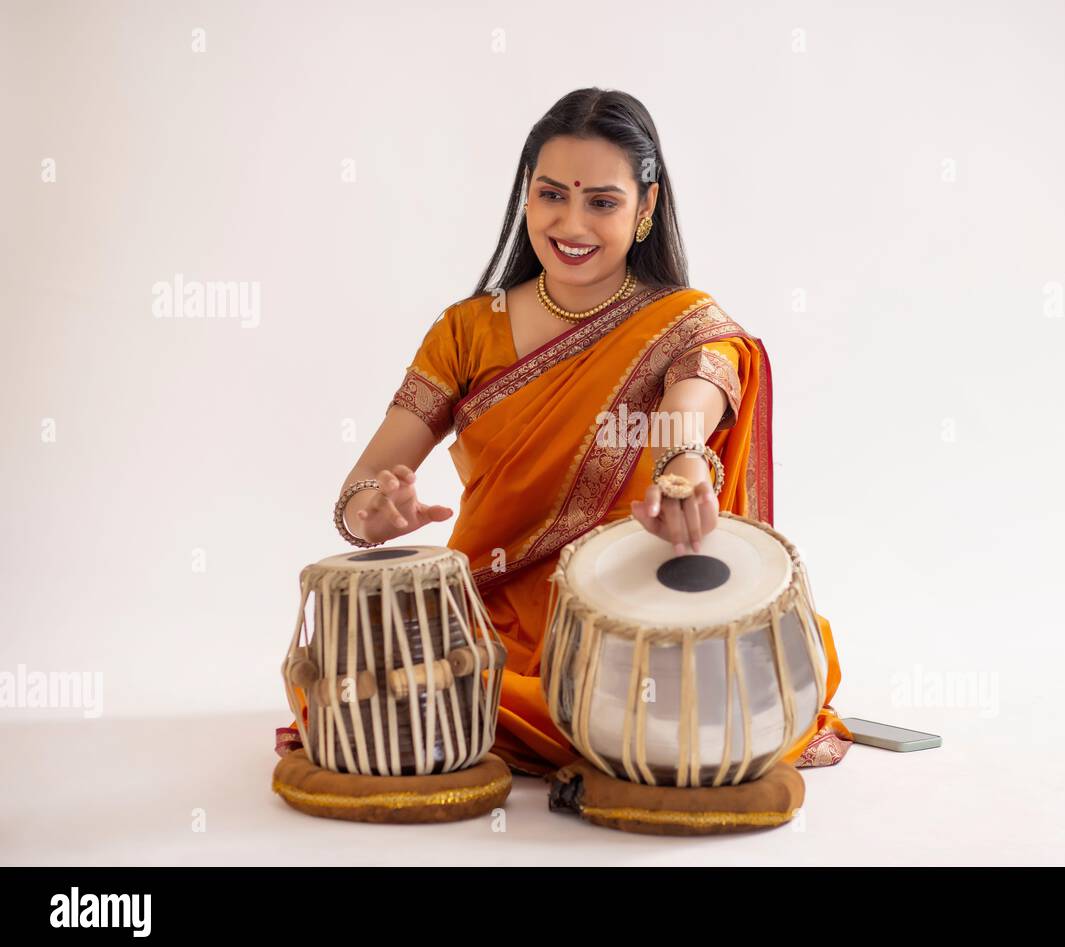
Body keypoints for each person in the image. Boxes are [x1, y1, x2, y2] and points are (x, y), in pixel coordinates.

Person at [275, 88, 853, 776]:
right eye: (552, 194)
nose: (571, 221)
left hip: (631, 624)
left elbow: (691, 400)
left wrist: (683, 467)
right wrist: (369, 512)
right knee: (371, 677)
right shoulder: (467, 329)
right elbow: (364, 484)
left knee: (705, 682)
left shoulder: (685, 324)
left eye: (602, 202)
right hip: (481, 627)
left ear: (646, 208)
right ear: (526, 197)